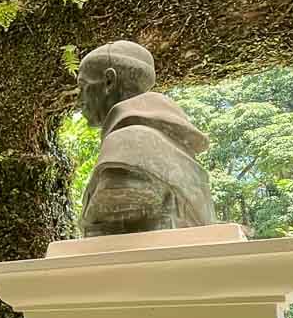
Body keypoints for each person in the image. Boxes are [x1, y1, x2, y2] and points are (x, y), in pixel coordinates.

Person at [75, 40, 215, 237]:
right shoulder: (172, 145)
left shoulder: (130, 140)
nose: (78, 99)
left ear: (109, 82)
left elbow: (110, 208)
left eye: (83, 86)